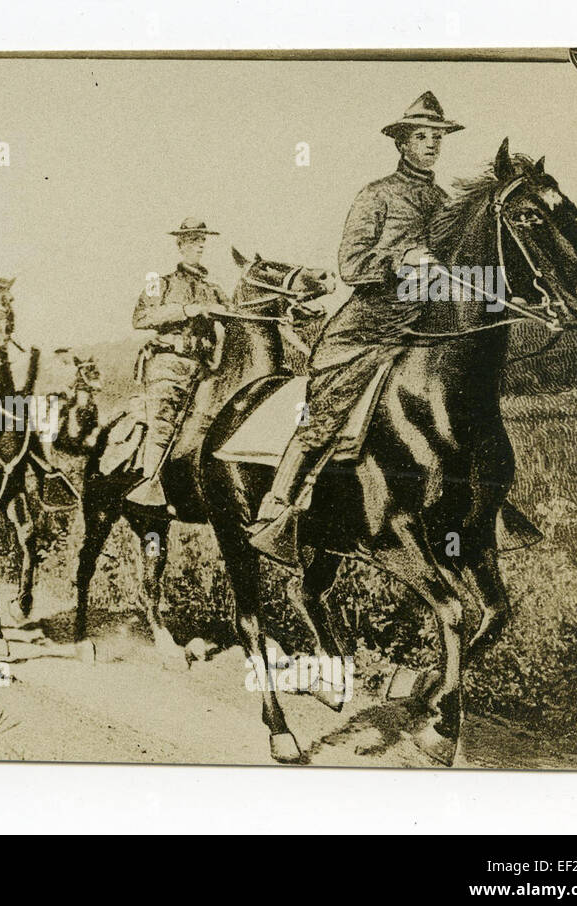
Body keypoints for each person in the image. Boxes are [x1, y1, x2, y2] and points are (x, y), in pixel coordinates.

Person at [248, 91, 462, 557]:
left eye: (437, 138)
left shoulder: (444, 201)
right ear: (402, 144)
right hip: (364, 331)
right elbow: (351, 266)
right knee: (322, 420)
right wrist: (401, 260)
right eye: (422, 137)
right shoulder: (376, 194)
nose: (432, 145)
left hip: (423, 326)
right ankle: (277, 510)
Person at [125, 218, 230, 508]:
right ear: (180, 245)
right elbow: (141, 318)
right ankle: (151, 487)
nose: (199, 244)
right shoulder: (160, 283)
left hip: (206, 369)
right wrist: (185, 310)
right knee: (163, 421)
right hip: (168, 365)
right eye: (193, 239)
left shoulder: (216, 289)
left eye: (202, 240)